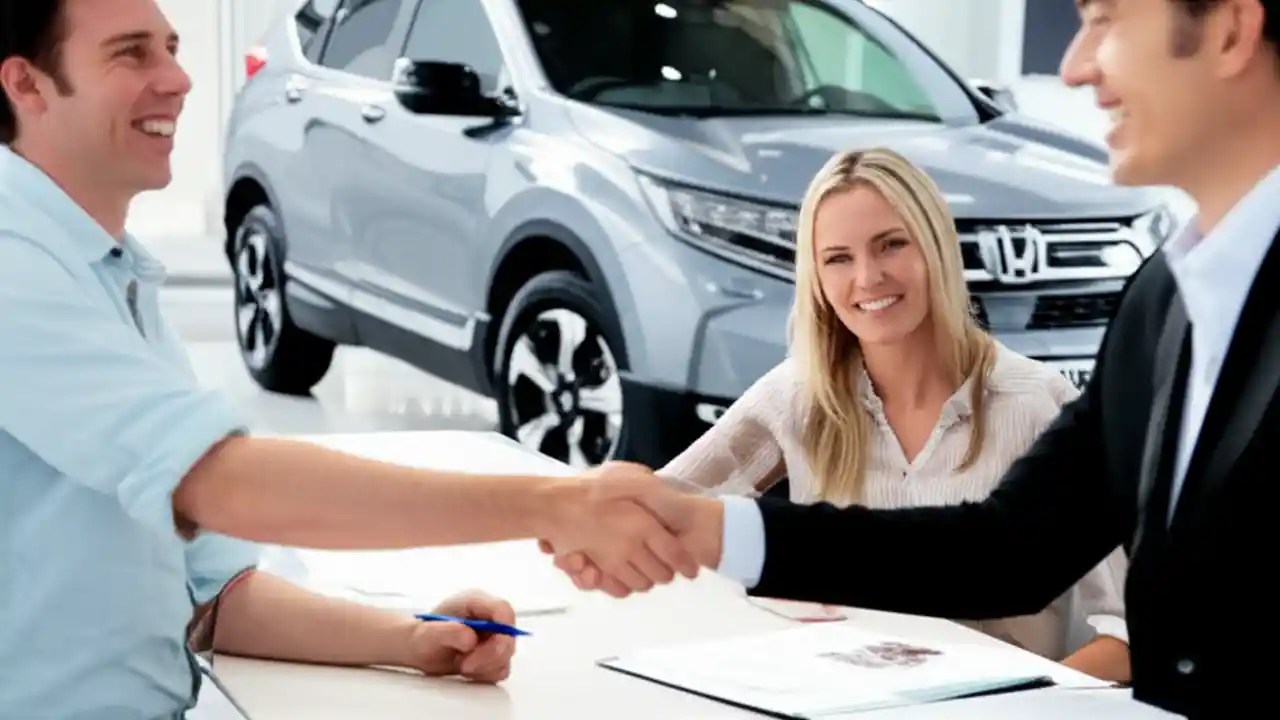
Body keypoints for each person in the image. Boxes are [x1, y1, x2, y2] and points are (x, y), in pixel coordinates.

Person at [550, 0, 1280, 715]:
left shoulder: (1050, 380)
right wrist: (715, 529)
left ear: (1229, 29)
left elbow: (1113, 624)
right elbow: (1003, 552)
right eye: (837, 258)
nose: (1073, 66)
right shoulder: (1163, 302)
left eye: (1105, 19)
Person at [0, 1, 696, 717]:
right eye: (131, 53)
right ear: (26, 84)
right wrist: (558, 504)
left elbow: (217, 596)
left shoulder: (107, 272)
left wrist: (411, 639)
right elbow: (221, 483)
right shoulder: (12, 261)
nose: (178, 78)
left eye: (173, 48)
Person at [654, 146, 1131, 683]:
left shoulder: (1038, 403)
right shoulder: (795, 394)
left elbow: (1123, 638)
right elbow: (659, 515)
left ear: (937, 247)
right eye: (838, 258)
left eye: (891, 246)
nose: (868, 277)